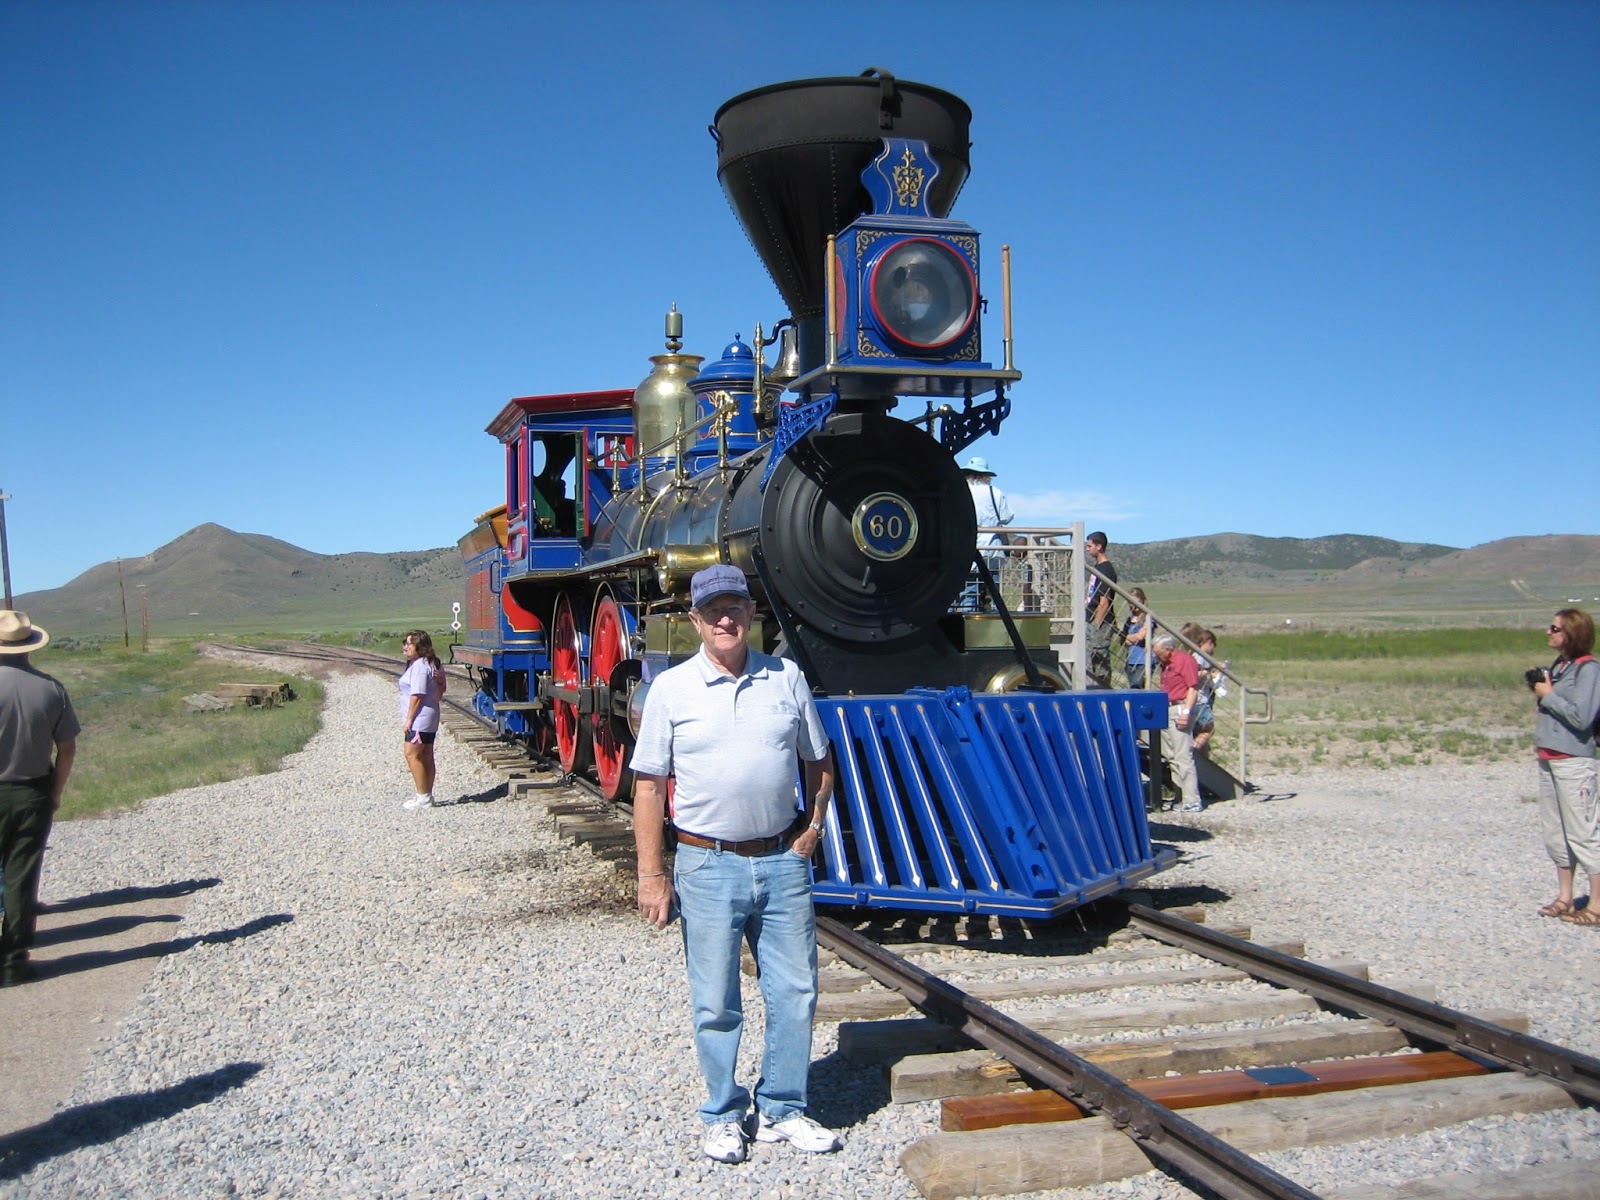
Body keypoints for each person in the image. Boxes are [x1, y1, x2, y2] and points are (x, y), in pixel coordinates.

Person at [631, 564, 840, 1164]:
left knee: (795, 990)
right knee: (716, 1001)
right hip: (706, 864)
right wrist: (652, 875)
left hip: (782, 861)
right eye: (713, 610)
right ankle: (723, 1114)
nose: (725, 618)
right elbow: (648, 787)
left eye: (735, 607)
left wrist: (814, 827)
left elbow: (819, 760)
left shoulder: (786, 677)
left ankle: (782, 1109)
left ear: (751, 614)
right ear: (694, 620)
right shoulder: (671, 689)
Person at [0, 611, 79, 987]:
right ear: (29, 646)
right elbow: (67, 749)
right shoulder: (51, 689)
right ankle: (12, 965)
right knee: (21, 878)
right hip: (32, 792)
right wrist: (55, 793)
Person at [1530, 608, 1600, 925]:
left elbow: (1581, 717)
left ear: (1572, 633)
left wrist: (1548, 695)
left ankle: (1596, 905)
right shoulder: (1561, 665)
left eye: (1555, 628)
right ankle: (1565, 896)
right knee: (1556, 832)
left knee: (1582, 831)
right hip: (1549, 756)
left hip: (1574, 760)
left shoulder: (1589, 670)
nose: (1549, 632)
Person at [1152, 633, 1203, 813]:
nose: (1156, 657)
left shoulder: (1185, 661)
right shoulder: (1166, 664)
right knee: (1171, 756)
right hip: (1167, 708)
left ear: (1168, 649)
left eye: (1158, 653)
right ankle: (1180, 796)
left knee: (1183, 755)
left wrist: (1186, 713)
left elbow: (1193, 689)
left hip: (1180, 708)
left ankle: (1193, 799)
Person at [398, 630, 445, 811]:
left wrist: (409, 719)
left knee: (412, 754)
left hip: (419, 718)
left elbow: (417, 694)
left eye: (409, 643)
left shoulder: (419, 666)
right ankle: (427, 795)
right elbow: (442, 689)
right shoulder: (433, 663)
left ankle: (422, 797)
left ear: (420, 646)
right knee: (426, 755)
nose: (405, 646)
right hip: (430, 716)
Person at [1084, 532, 1118, 688]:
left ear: (1099, 546)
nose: (1087, 549)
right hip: (1091, 617)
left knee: (1099, 659)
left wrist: (1096, 624)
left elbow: (1104, 601)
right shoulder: (1097, 568)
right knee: (1090, 658)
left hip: (1101, 622)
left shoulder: (1106, 570)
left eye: (1089, 546)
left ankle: (1103, 689)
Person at [1191, 629, 1221, 756]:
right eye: (1213, 645)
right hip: (1200, 699)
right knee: (1208, 728)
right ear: (1209, 642)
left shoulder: (1199, 656)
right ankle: (1192, 751)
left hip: (1199, 698)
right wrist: (1207, 673)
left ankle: (1200, 755)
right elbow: (1194, 673)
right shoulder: (1199, 657)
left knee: (1197, 731)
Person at [1121, 588, 1151, 689]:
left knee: (1138, 686)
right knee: (1132, 687)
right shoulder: (1128, 620)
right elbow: (1123, 639)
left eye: (1136, 602)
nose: (1133, 605)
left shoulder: (1147, 618)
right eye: (1131, 602)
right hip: (1130, 660)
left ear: (1142, 601)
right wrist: (1127, 638)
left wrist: (1128, 638)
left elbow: (1140, 636)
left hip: (1143, 660)